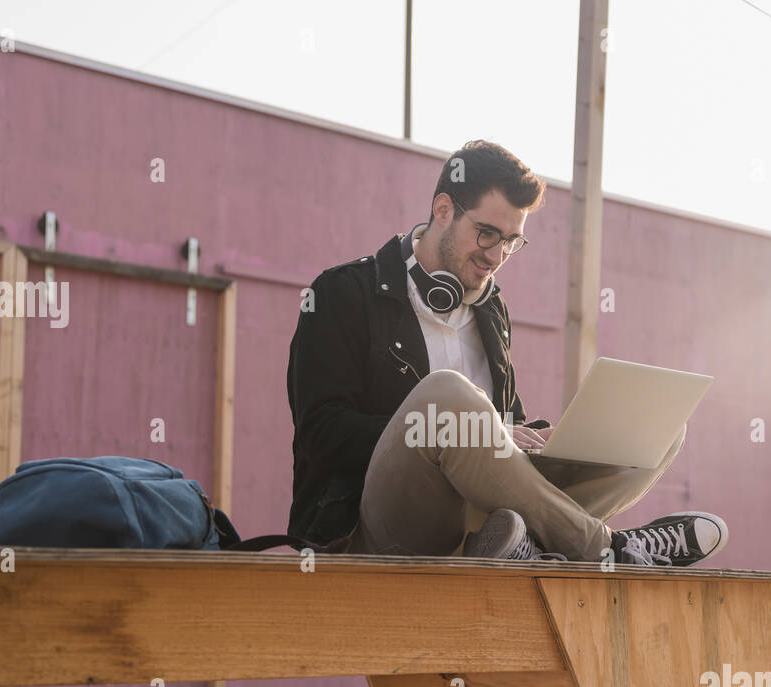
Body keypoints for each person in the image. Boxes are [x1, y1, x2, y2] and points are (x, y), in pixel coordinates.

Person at [286, 140, 727, 566]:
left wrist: (546, 439)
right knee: (446, 396)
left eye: (512, 241)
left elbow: (502, 430)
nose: (497, 255)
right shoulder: (343, 293)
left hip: (486, 530)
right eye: (486, 234)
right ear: (443, 210)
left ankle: (526, 545)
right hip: (378, 532)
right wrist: (469, 427)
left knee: (656, 426)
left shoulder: (490, 310)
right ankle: (609, 549)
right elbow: (322, 435)